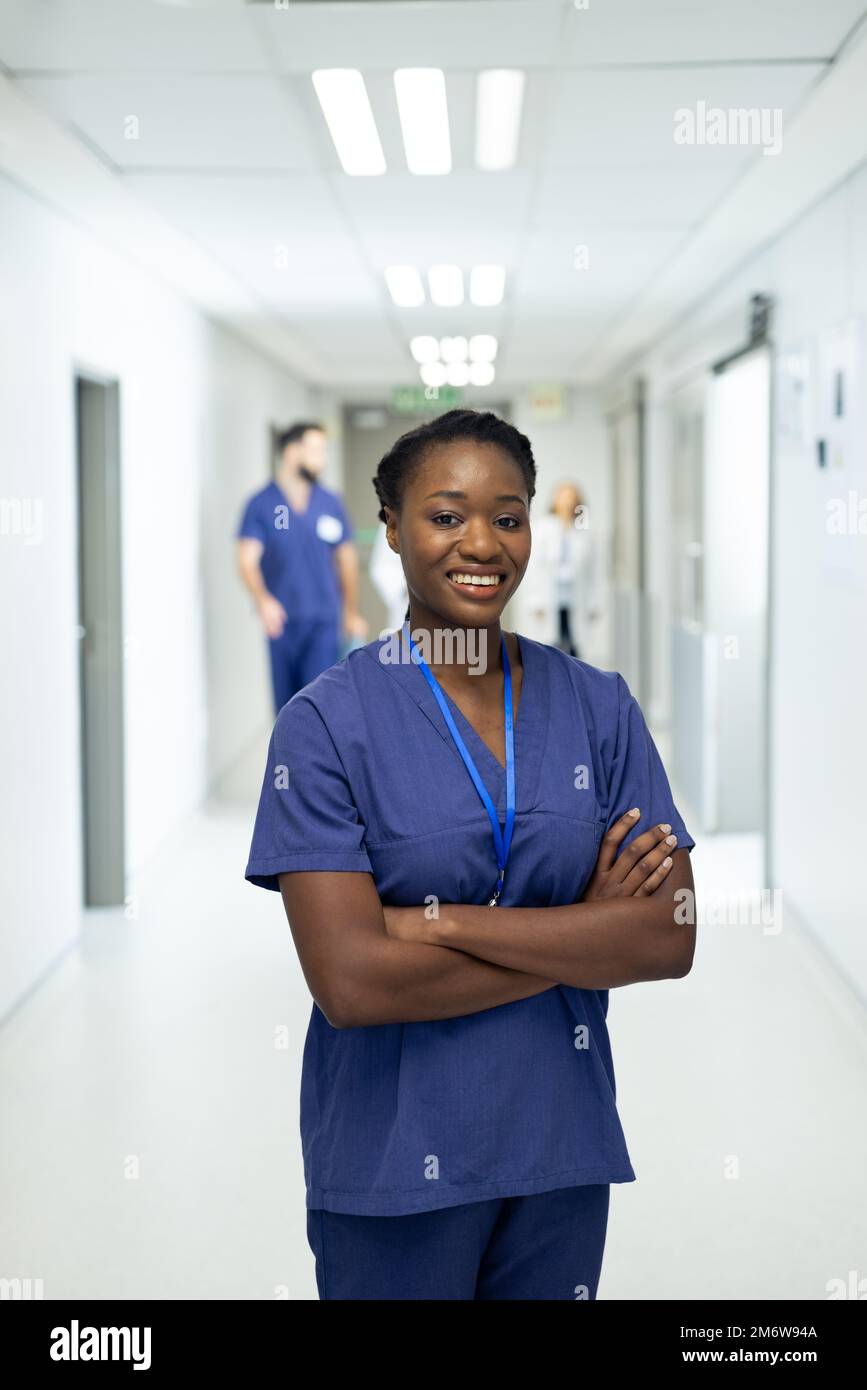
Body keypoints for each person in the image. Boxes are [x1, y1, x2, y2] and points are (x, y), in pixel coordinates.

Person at [243, 408, 696, 1301]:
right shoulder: (327, 724)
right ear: (392, 531)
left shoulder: (597, 707)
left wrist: (430, 925)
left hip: (557, 1150)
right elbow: (351, 983)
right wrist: (579, 932)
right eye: (445, 516)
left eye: (508, 514)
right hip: (389, 1162)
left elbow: (664, 939)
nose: (480, 542)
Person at [235, 422, 368, 713]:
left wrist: (351, 611)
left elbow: (346, 559)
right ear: (293, 451)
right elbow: (247, 560)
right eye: (317, 450)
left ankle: (319, 760)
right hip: (282, 622)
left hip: (324, 620)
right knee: (286, 708)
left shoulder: (329, 503)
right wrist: (262, 600)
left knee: (320, 704)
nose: (324, 459)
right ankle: (288, 760)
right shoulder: (262, 504)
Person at [515, 480, 601, 658]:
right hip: (548, 600)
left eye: (571, 497)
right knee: (549, 646)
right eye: (563, 497)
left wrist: (594, 602)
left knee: (574, 648)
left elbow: (593, 571)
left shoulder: (584, 531)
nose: (567, 502)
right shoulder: (542, 529)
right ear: (555, 500)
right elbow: (533, 568)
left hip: (575, 600)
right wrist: (535, 600)